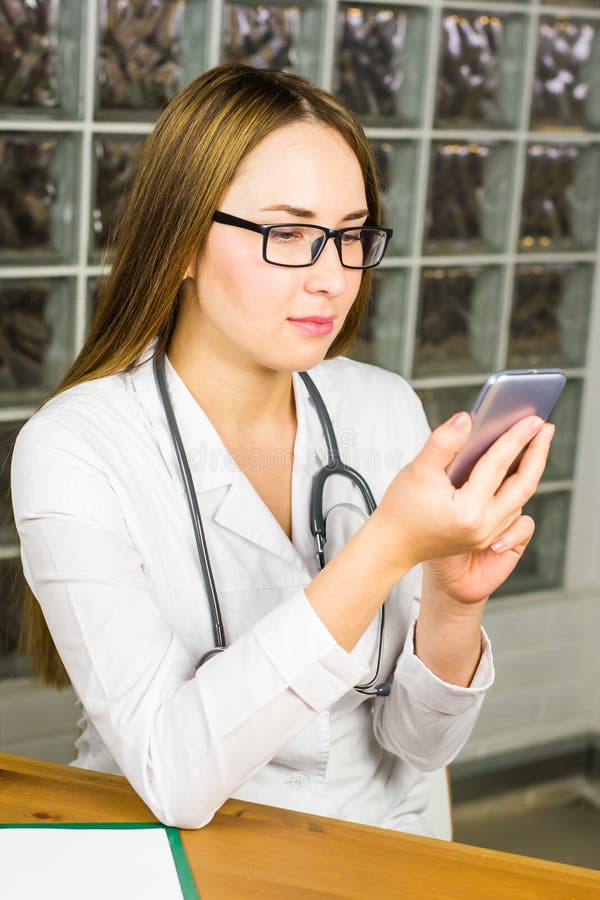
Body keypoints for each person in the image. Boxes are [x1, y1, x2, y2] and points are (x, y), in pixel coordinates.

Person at [11, 64, 553, 835]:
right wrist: (386, 547)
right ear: (183, 243)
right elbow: (174, 776)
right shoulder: (74, 448)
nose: (333, 277)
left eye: (351, 234)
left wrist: (453, 598)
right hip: (181, 855)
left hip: (380, 847)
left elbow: (420, 744)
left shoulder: (383, 405)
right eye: (288, 233)